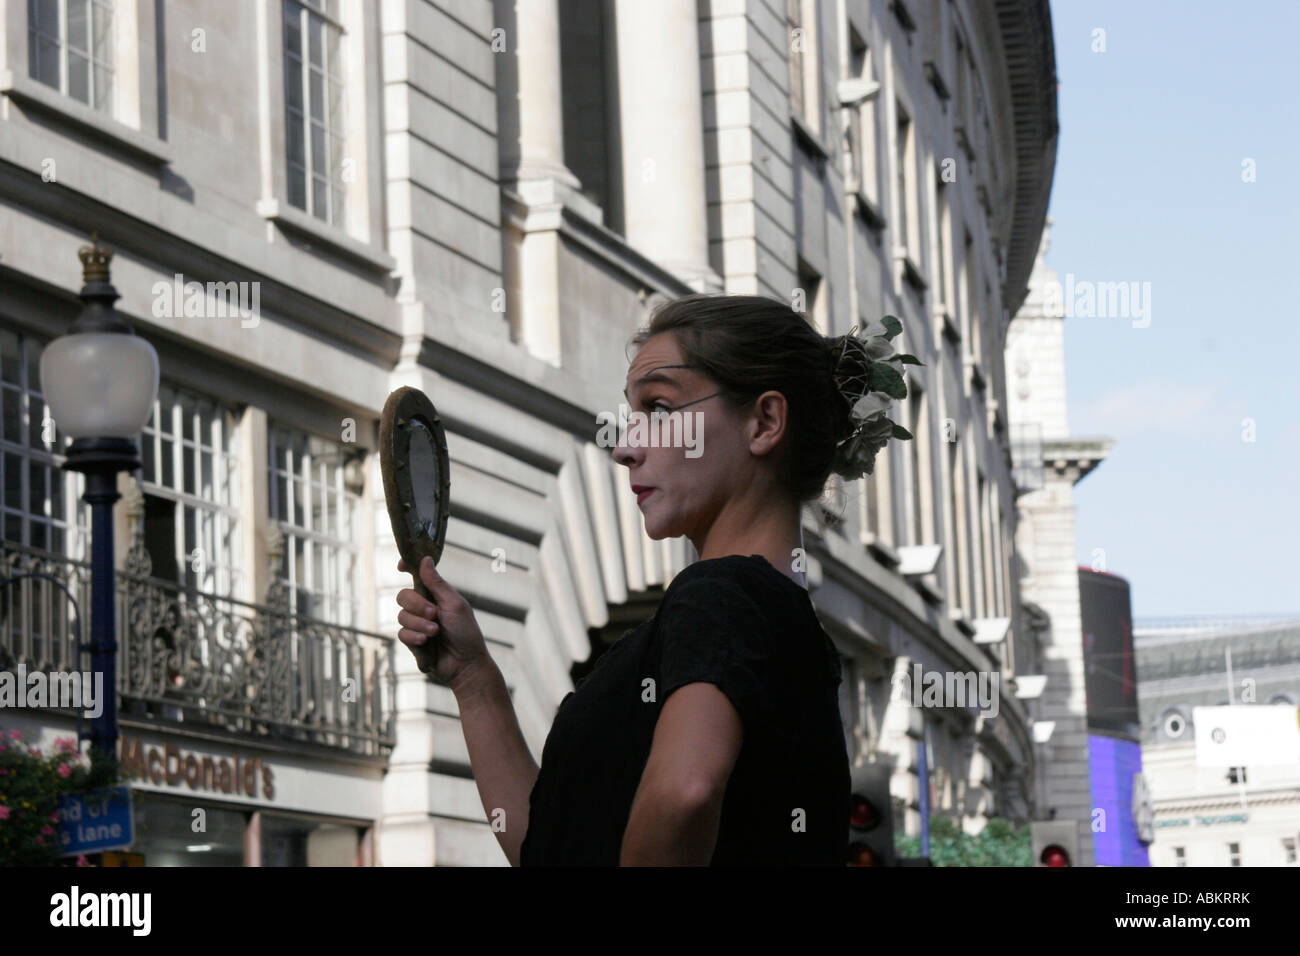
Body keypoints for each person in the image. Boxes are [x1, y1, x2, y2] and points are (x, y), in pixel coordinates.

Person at [394, 292, 889, 866]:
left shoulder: (723, 595)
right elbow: (553, 848)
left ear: (765, 421)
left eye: (658, 409)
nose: (626, 447)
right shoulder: (777, 618)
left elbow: (684, 793)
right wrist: (474, 680)